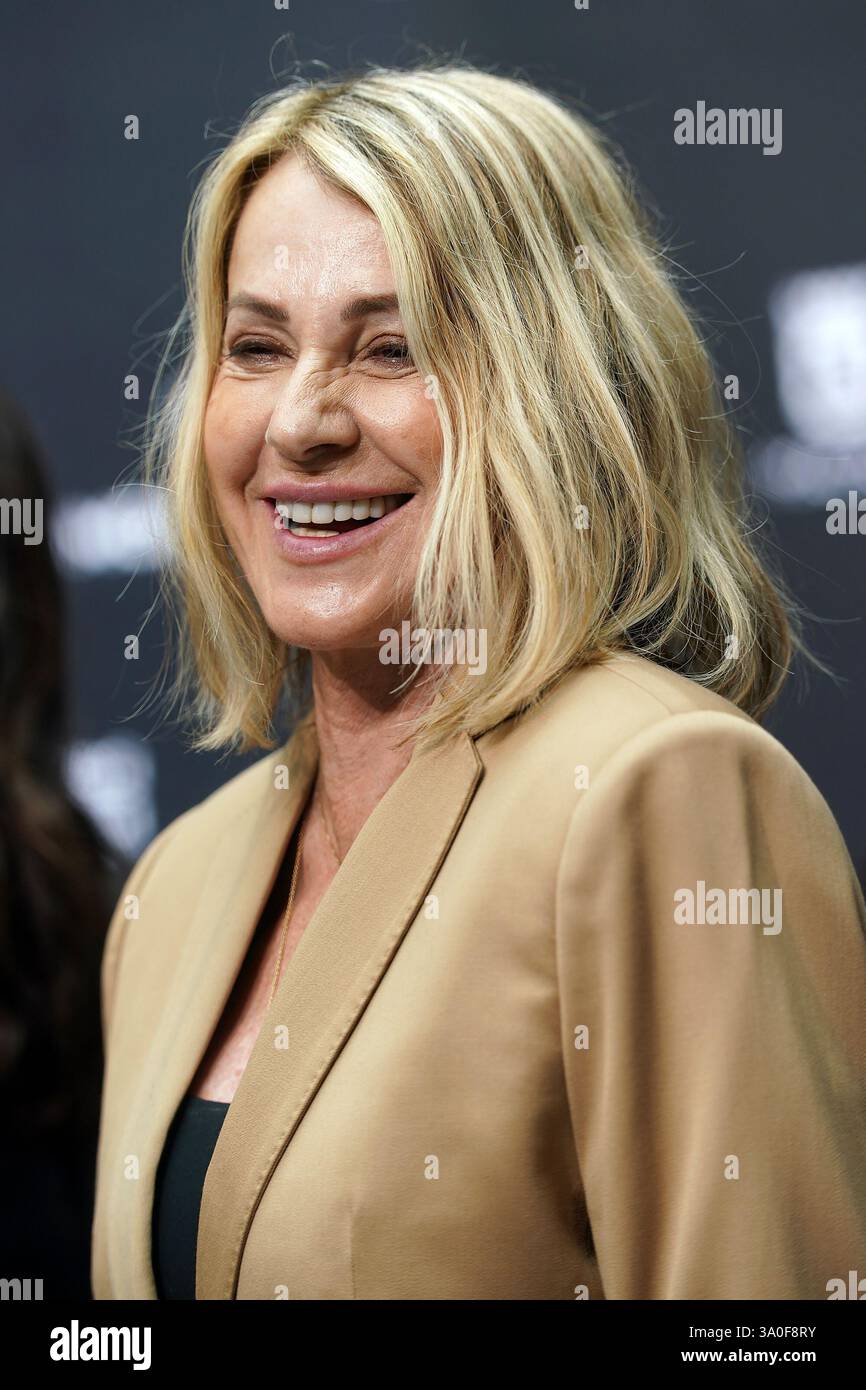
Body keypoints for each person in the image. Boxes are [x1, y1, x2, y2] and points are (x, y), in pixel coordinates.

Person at [91, 63, 866, 1301]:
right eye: (255, 345)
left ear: (556, 393)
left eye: (390, 348)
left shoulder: (658, 794)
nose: (302, 419)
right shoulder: (178, 883)